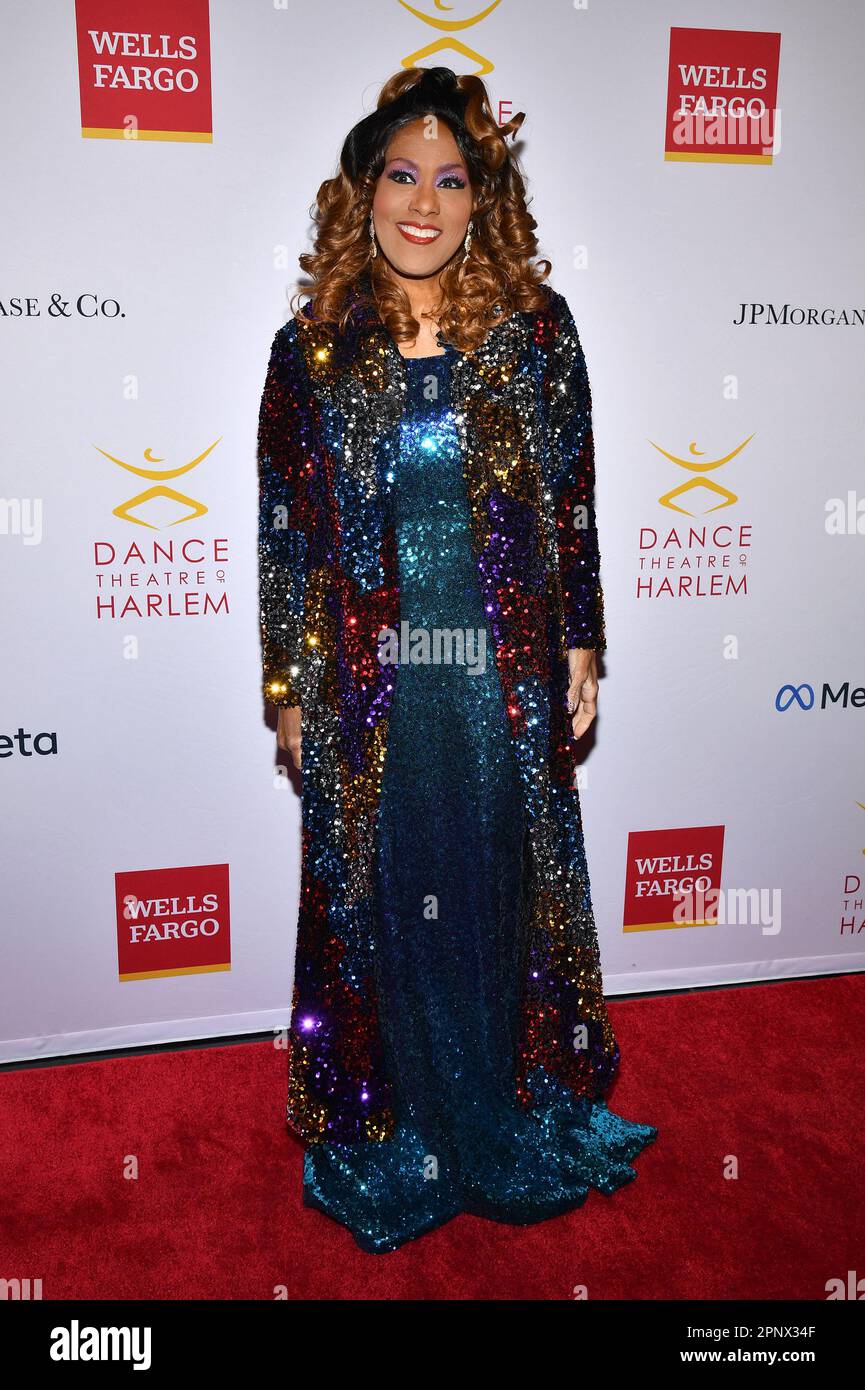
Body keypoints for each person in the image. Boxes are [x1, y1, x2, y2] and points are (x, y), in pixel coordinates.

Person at [257, 65, 657, 1254]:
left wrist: (581, 637)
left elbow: (572, 500)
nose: (421, 202)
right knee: (382, 882)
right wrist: (286, 682)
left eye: (449, 177)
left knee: (493, 882)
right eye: (399, 175)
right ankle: (406, 1121)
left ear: (483, 197)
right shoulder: (311, 348)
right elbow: (284, 526)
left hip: (498, 673)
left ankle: (496, 1106)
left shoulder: (536, 333)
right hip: (369, 682)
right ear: (362, 189)